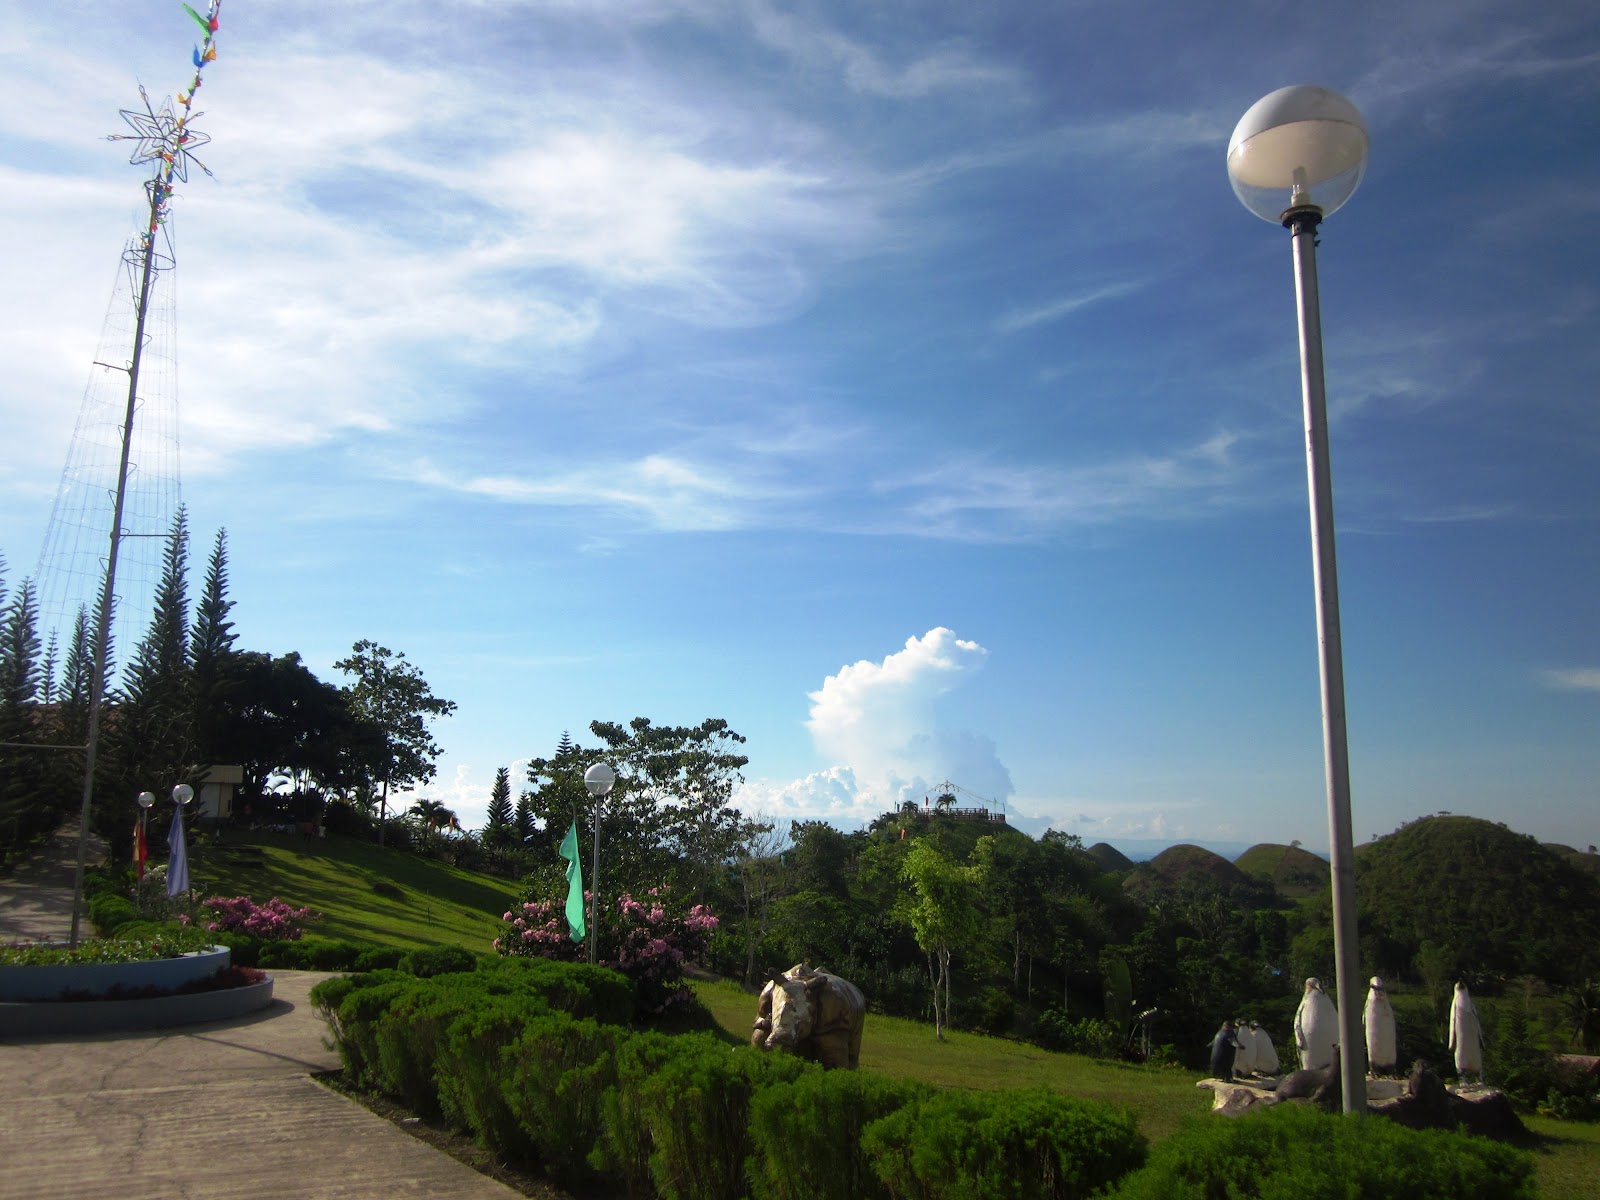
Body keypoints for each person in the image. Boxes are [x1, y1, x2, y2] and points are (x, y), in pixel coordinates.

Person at [1294, 977, 1339, 1071]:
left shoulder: (1309, 1003)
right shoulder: (1326, 1003)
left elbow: (1297, 1024)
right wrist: (1299, 1041)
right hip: (1312, 1056)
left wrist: (1299, 1042)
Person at [1449, 981, 1484, 1082]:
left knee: (1475, 1058)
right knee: (1461, 1057)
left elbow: (1477, 1022)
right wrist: (1452, 1042)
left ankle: (1478, 1078)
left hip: (1473, 1038)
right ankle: (1462, 1078)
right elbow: (1452, 1023)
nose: (1460, 985)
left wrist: (1481, 1039)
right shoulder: (1455, 1005)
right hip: (1460, 1039)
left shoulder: (1470, 1004)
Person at [1364, 976, 1398, 1075]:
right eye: (1374, 988)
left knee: (1388, 1036)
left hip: (1390, 1051)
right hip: (1373, 1054)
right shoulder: (1369, 1004)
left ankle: (1391, 1068)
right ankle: (1373, 1068)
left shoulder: (1386, 1004)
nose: (1378, 990)